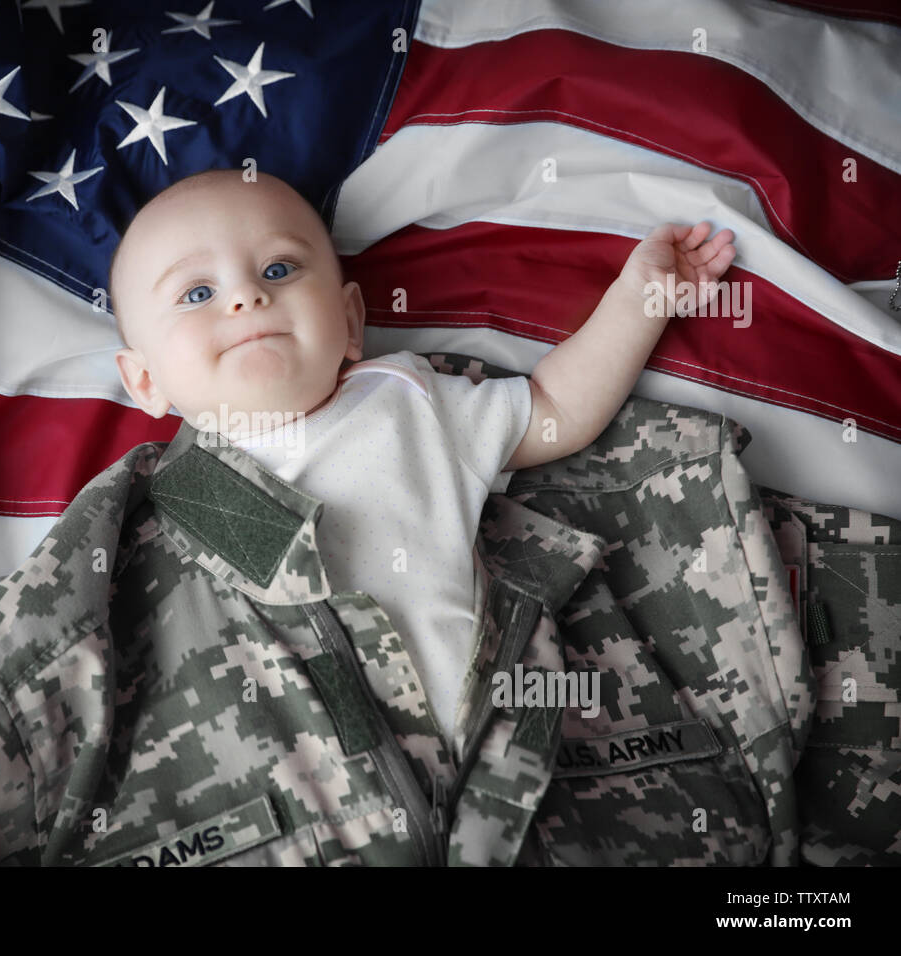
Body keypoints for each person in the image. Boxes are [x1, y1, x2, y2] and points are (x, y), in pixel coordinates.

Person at [107, 166, 736, 742]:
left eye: (278, 270)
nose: (246, 297)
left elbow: (558, 409)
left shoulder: (408, 405)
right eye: (196, 293)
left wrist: (639, 299)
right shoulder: (146, 507)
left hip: (469, 764)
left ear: (351, 323)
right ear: (145, 382)